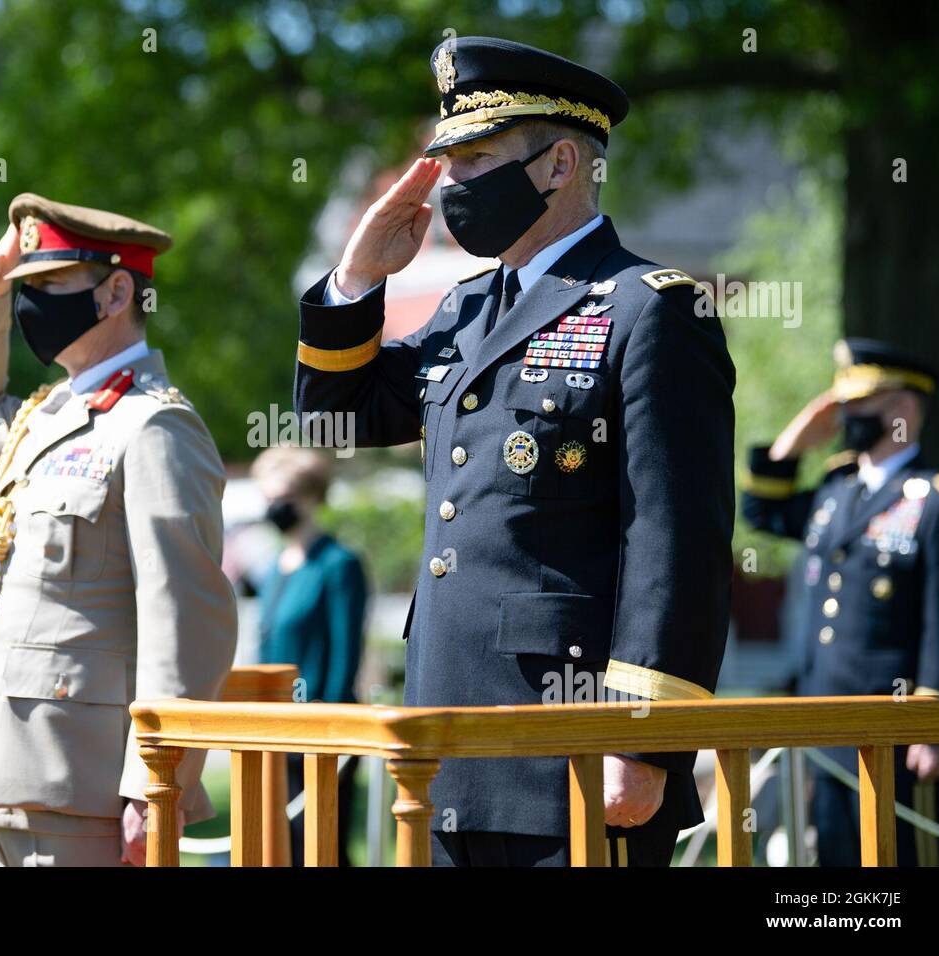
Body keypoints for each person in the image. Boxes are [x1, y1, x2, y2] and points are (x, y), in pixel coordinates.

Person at [292, 36, 735, 867]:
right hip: (446, 742)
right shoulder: (463, 311)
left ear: (561, 163)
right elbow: (334, 420)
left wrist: (644, 742)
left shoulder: (651, 310)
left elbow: (677, 543)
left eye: (475, 161)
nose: (452, 187)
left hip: (569, 753)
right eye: (448, 164)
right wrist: (355, 282)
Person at [0, 193, 237, 866]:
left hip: (88, 788)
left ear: (116, 291)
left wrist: (155, 786)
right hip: (8, 773)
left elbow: (186, 620)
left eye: (47, 286)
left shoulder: (155, 426)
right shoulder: (46, 417)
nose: (28, 306)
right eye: (23, 290)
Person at [742, 338, 939, 866]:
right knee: (835, 861)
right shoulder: (836, 489)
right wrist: (792, 443)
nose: (844, 416)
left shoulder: (934, 500)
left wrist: (937, 726)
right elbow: (762, 512)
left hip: (896, 727)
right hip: (823, 714)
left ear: (902, 409)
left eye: (858, 404)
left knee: (903, 856)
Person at [250, 446, 367, 865]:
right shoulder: (273, 568)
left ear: (312, 497)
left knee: (321, 847)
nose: (274, 507)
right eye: (268, 498)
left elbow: (345, 652)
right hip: (274, 731)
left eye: (283, 497)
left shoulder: (338, 565)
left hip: (320, 730)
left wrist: (328, 723)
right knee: (276, 847)